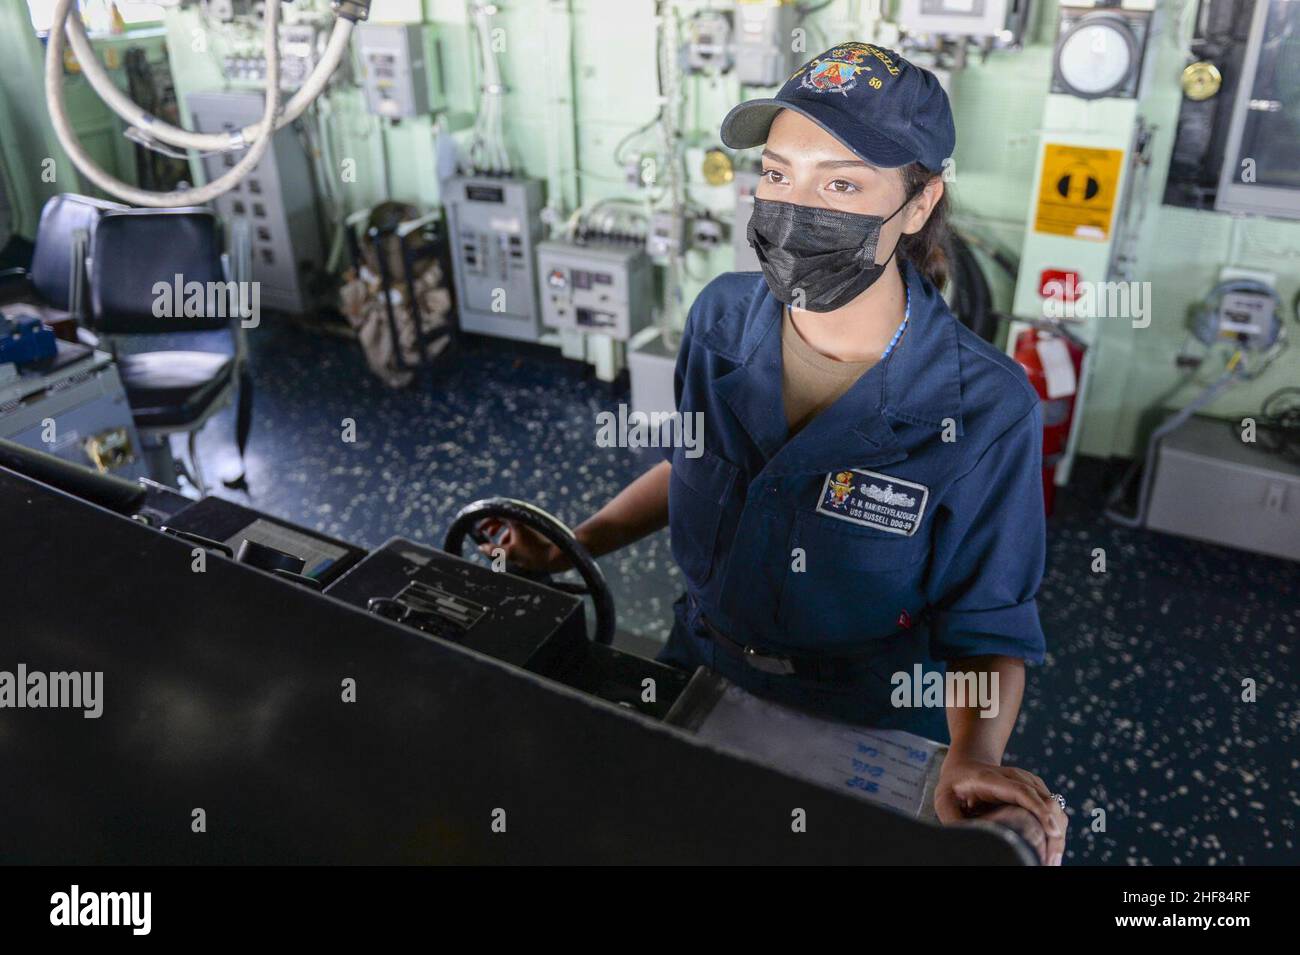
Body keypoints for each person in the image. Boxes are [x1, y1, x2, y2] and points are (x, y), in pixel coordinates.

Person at [480, 42, 1067, 864]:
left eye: (841, 183)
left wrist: (975, 753)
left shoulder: (984, 409)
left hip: (866, 720)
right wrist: (581, 538)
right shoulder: (720, 320)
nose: (794, 207)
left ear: (919, 199)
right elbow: (694, 464)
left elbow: (987, 626)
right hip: (700, 668)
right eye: (778, 172)